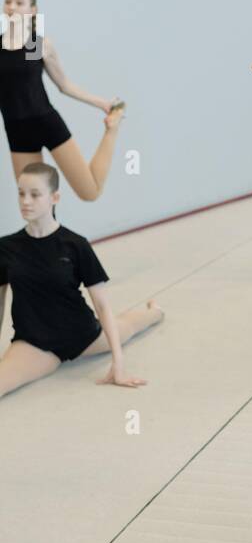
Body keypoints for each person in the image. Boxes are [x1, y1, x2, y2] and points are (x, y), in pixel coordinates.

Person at [0, 163, 164, 399]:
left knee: (129, 325)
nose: (26, 201)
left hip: (83, 335)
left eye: (35, 195)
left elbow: (102, 306)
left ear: (54, 197)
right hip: (34, 344)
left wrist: (118, 364)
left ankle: (155, 311)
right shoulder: (6, 248)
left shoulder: (75, 244)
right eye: (21, 193)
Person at [1, 0, 125, 199]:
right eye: (8, 1)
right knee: (32, 200)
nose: (12, 7)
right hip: (16, 130)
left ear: (32, 10)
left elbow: (64, 85)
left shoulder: (36, 44)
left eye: (19, 3)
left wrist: (102, 103)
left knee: (89, 192)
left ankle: (112, 131)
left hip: (45, 122)